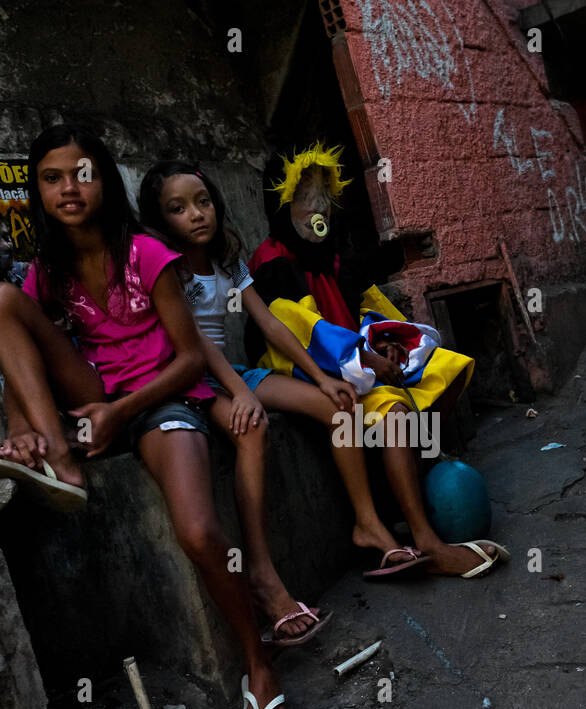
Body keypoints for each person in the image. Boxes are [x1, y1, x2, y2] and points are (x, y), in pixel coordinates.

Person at [0, 125, 289, 709]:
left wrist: (119, 413)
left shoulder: (145, 252)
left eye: (81, 173)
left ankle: (258, 663)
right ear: (38, 190)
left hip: (162, 396)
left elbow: (191, 359)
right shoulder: (47, 271)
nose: (68, 189)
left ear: (104, 180)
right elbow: (20, 352)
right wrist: (20, 426)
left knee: (197, 530)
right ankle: (53, 452)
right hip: (93, 400)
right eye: (51, 178)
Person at [139, 159, 437, 580]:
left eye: (203, 202)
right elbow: (196, 343)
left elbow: (271, 324)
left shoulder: (227, 260)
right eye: (179, 208)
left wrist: (322, 378)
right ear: (161, 219)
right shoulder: (168, 267)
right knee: (250, 423)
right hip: (194, 378)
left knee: (341, 406)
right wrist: (238, 392)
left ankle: (367, 524)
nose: (196, 214)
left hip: (232, 372)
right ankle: (262, 569)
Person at [247, 143, 509, 579]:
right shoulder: (272, 261)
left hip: (356, 361)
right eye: (306, 198)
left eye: (324, 198)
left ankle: (412, 480)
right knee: (394, 412)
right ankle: (426, 539)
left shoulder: (334, 256)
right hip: (309, 369)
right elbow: (295, 326)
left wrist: (387, 343)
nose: (319, 209)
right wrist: (360, 355)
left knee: (448, 369)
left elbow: (371, 309)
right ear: (283, 204)